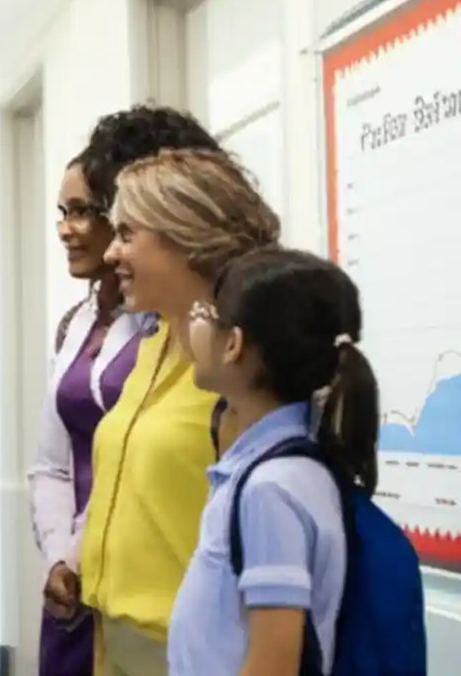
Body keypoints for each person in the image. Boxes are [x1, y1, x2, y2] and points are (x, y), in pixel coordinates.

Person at [28, 105, 223, 676]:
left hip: (157, 606)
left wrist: (77, 552)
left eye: (87, 212)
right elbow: (52, 461)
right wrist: (59, 556)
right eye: (62, 212)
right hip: (84, 588)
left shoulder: (196, 337)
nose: (69, 228)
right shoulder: (78, 323)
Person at [78, 146, 281, 676]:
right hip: (116, 640)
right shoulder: (154, 345)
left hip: (195, 651)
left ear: (185, 238)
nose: (110, 254)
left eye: (127, 234)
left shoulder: (244, 368)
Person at [166, 247, 373, 675]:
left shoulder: (271, 488)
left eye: (209, 314)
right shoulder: (275, 469)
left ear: (233, 345)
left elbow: (273, 664)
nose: (195, 323)